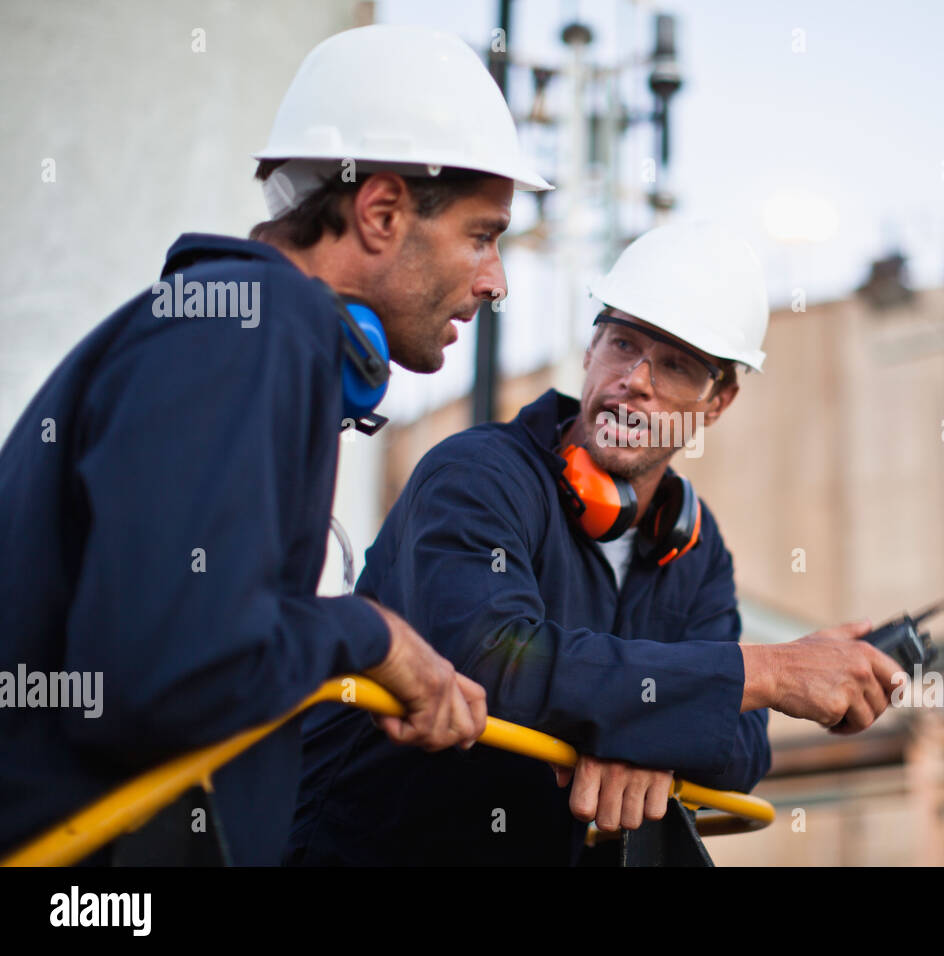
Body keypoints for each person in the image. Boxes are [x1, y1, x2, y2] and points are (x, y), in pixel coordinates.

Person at [0, 24, 550, 864]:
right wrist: (374, 637)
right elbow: (164, 677)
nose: (497, 279)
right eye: (483, 234)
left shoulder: (230, 325)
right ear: (382, 211)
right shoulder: (256, 327)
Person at [287, 222, 907, 866]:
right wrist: (769, 672)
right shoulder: (477, 475)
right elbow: (491, 660)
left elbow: (744, 749)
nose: (636, 380)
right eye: (622, 343)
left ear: (718, 401)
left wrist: (634, 728)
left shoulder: (696, 550)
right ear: (589, 352)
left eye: (675, 366)